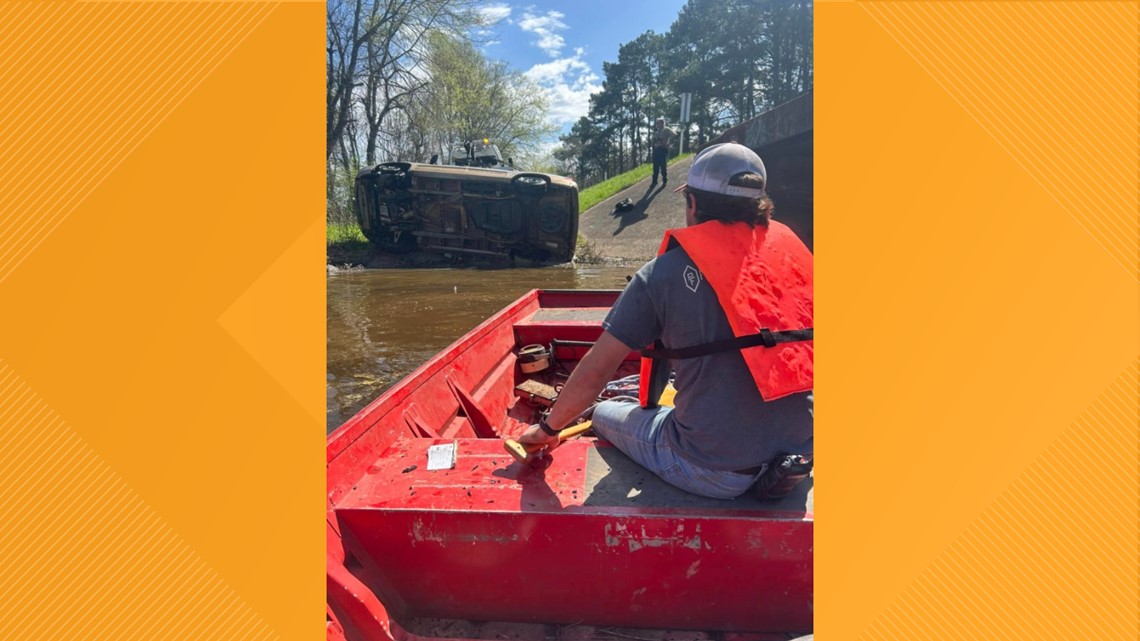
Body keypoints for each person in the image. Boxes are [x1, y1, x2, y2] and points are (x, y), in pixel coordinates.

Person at [517, 143, 813, 500]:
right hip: (802, 455)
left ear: (693, 204)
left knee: (604, 413)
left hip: (713, 472)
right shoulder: (797, 259)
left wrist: (548, 428)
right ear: (760, 204)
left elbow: (597, 369)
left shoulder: (660, 275)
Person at [649, 118, 675, 189]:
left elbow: (674, 135)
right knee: (655, 167)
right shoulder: (656, 132)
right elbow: (652, 141)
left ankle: (664, 180)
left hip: (663, 149)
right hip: (656, 150)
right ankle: (654, 181)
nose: (657, 125)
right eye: (657, 123)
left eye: (659, 123)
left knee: (663, 165)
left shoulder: (666, 130)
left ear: (663, 123)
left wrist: (668, 143)